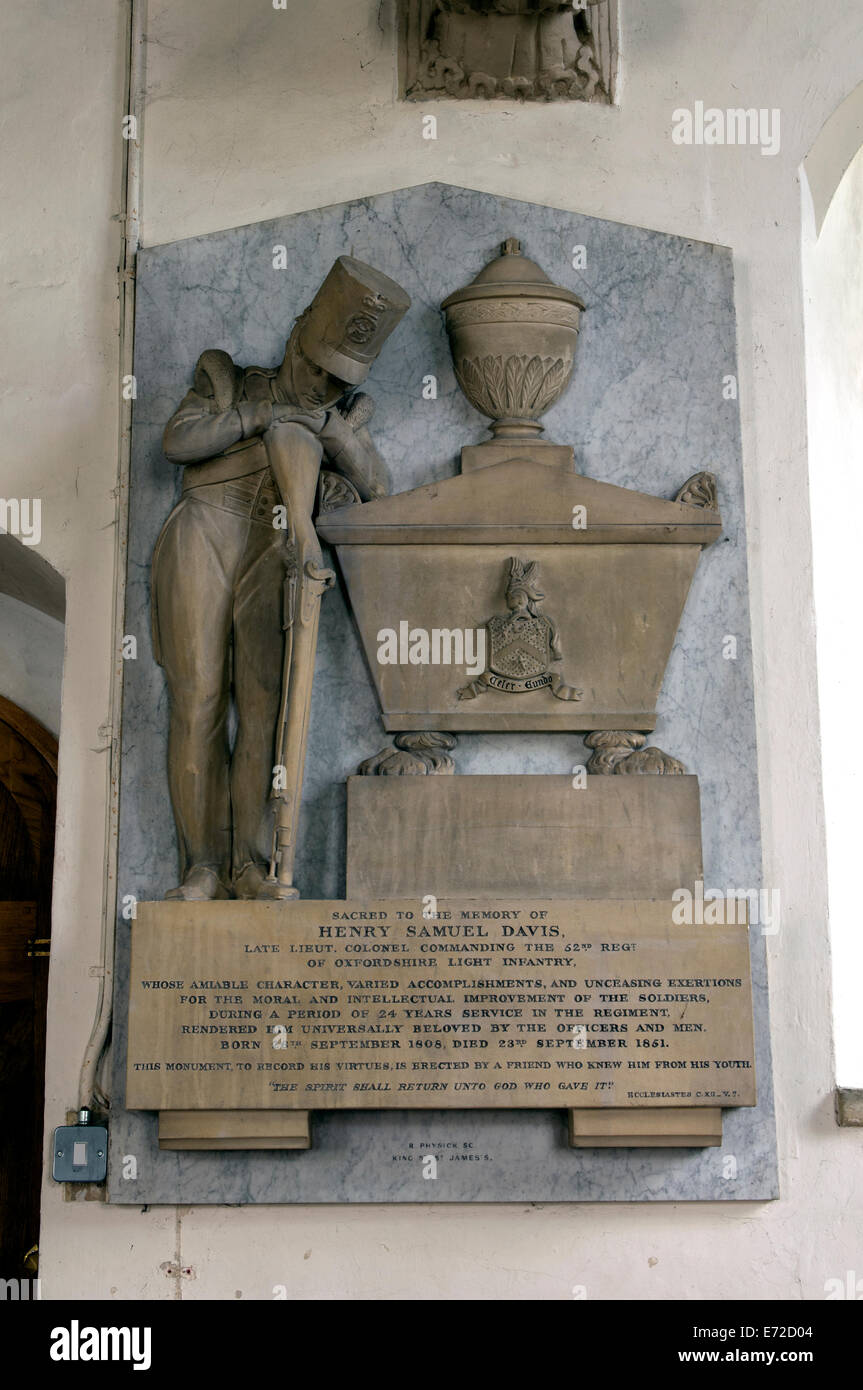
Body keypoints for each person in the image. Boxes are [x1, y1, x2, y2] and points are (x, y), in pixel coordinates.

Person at [151, 256, 409, 901]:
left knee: (264, 706)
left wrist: (336, 437)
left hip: (275, 546)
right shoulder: (232, 379)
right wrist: (259, 417)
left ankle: (250, 863)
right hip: (203, 530)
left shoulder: (336, 416)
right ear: (298, 335)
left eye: (336, 378)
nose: (321, 383)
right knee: (198, 698)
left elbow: (378, 490)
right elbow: (177, 442)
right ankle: (202, 864)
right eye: (316, 365)